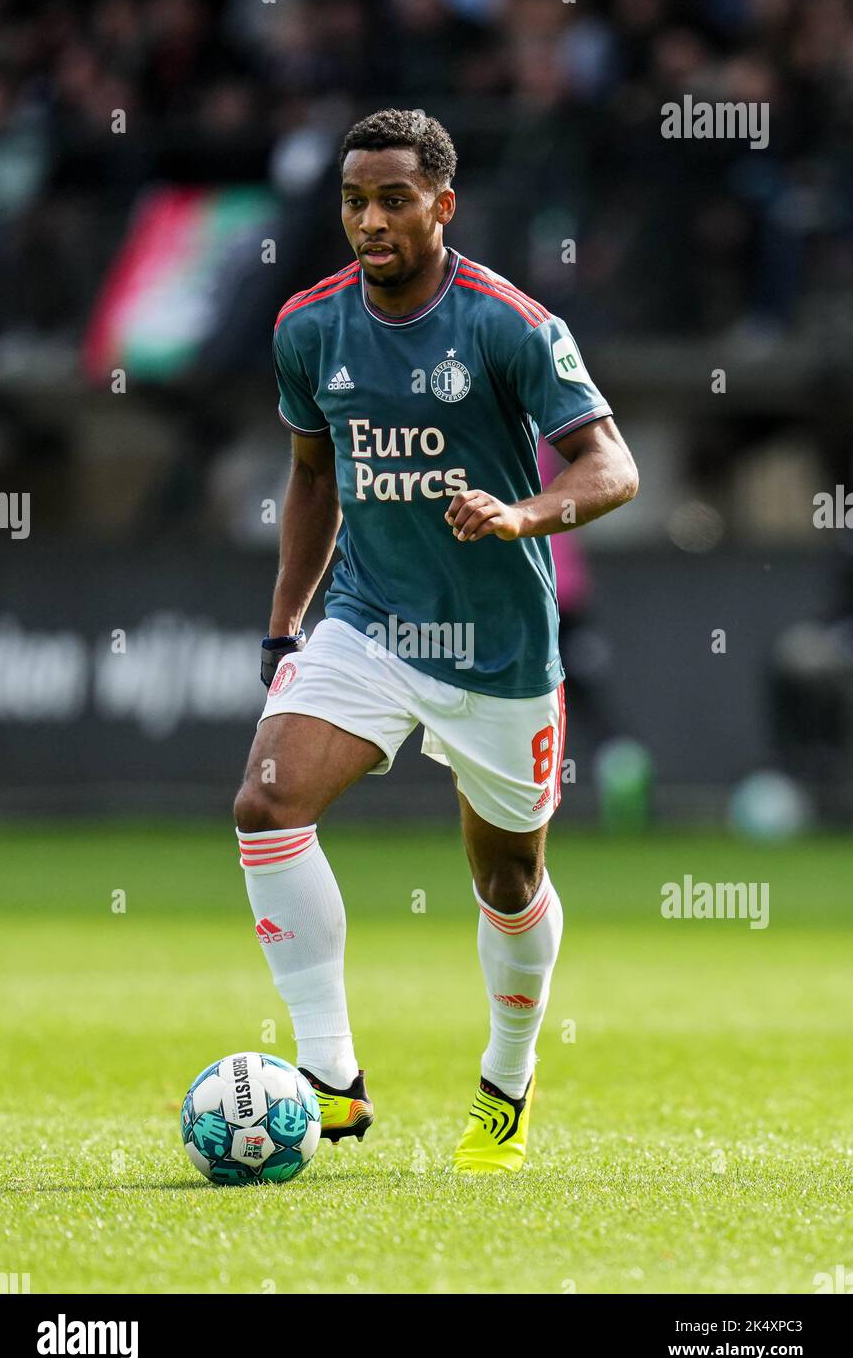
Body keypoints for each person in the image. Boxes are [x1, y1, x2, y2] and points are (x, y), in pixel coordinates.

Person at [233, 108, 638, 1173]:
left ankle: (506, 1078)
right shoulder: (308, 327)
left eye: (393, 200)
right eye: (353, 201)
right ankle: (331, 1080)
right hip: (367, 622)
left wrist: (519, 514)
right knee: (266, 805)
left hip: (499, 650)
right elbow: (312, 477)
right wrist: (285, 626)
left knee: (507, 883)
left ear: (442, 205)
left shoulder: (509, 325)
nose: (369, 221)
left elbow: (611, 469)